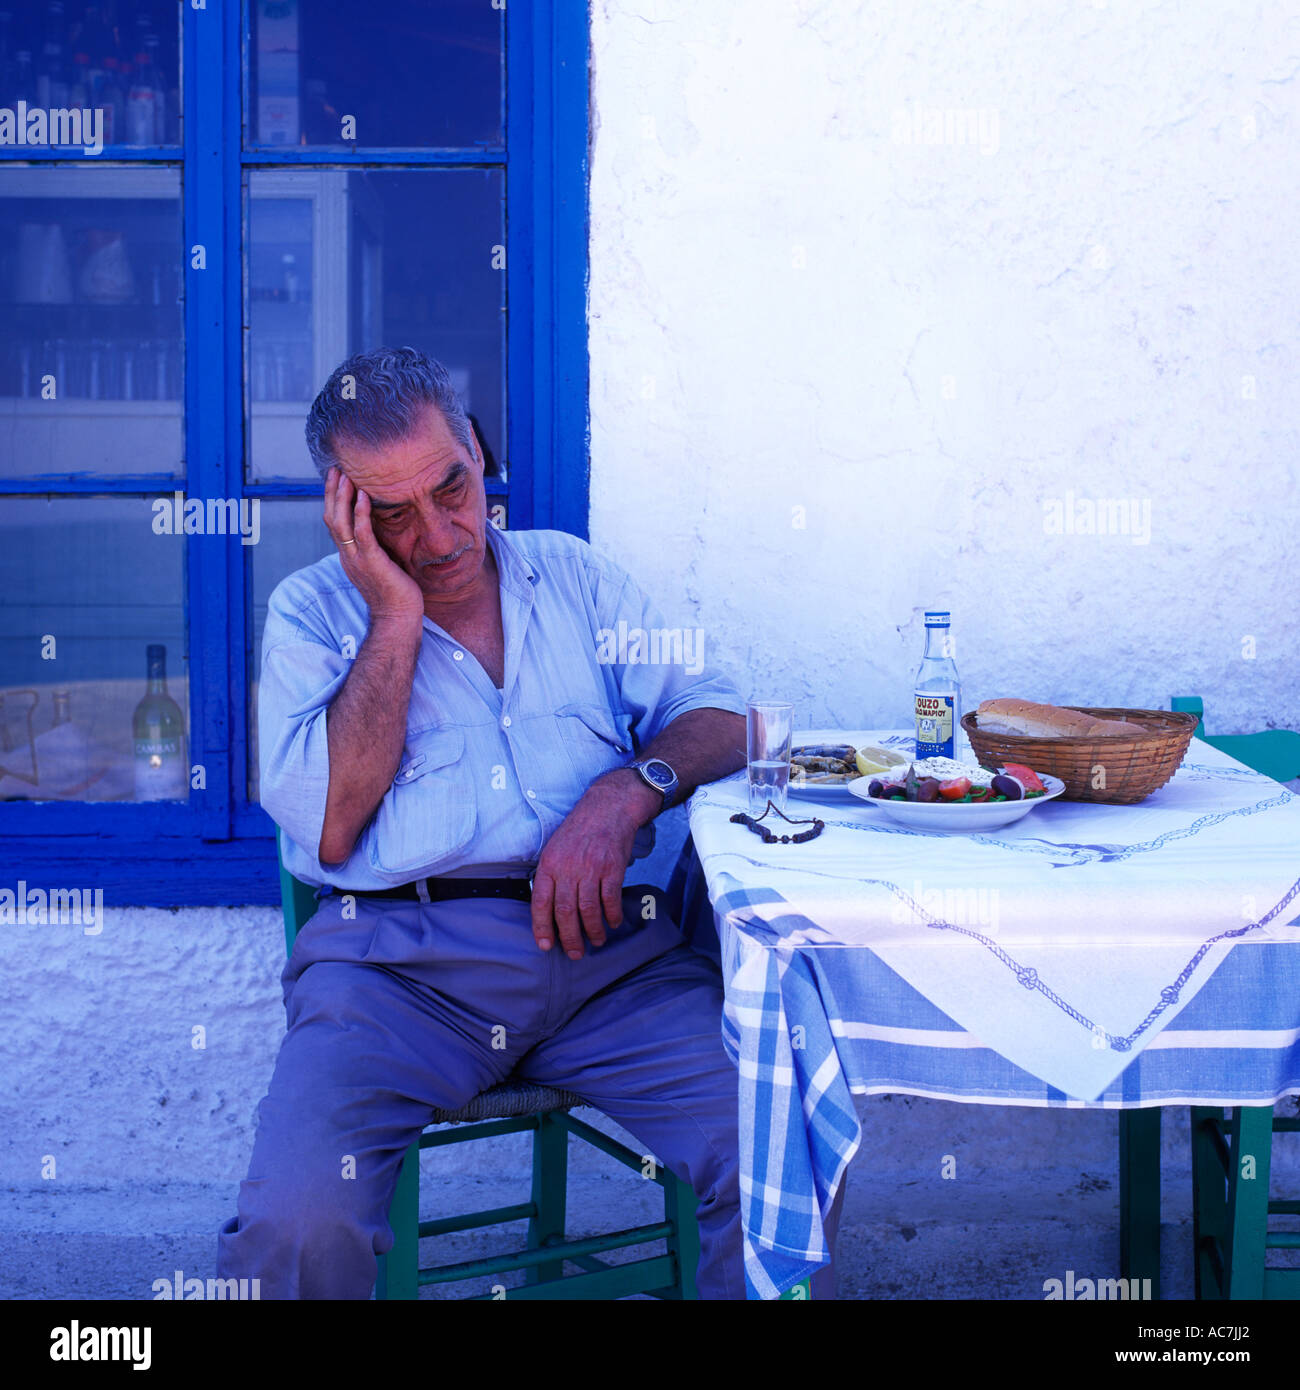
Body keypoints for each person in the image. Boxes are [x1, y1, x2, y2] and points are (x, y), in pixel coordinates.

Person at [216, 345, 752, 1298]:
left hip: (607, 965)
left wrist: (626, 791)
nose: (437, 532)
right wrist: (393, 615)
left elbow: (722, 714)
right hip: (395, 973)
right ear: (346, 511)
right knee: (298, 1220)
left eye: (451, 488)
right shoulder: (312, 616)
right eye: (392, 513)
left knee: (773, 1147)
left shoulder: (574, 580)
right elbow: (332, 828)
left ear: (477, 446)